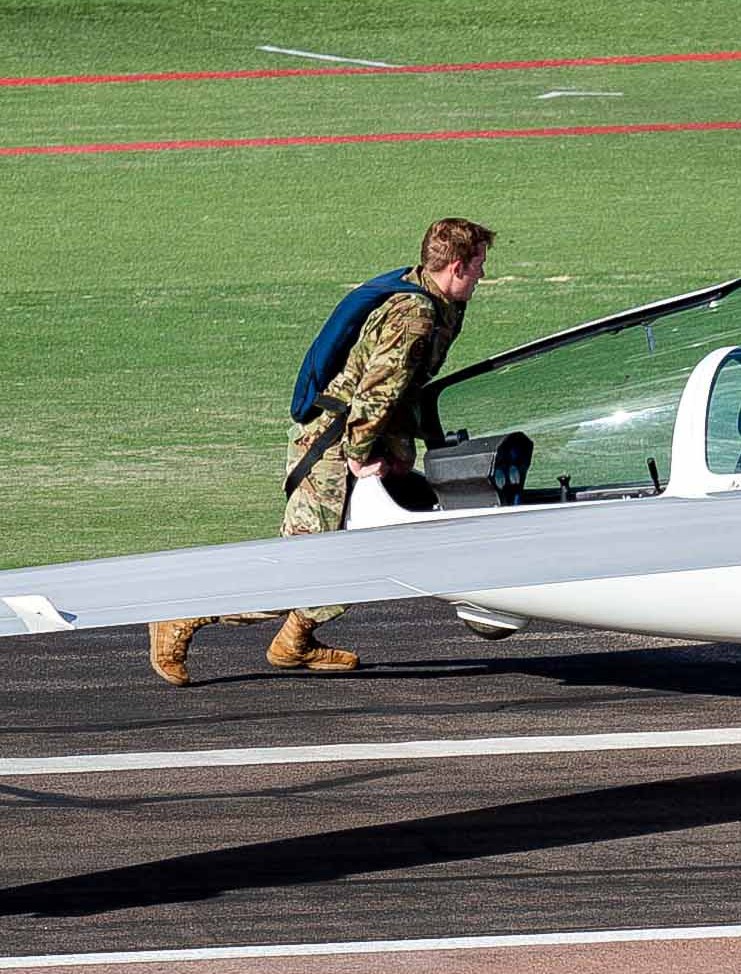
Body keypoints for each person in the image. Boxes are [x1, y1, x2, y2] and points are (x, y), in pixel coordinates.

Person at [150, 216, 492, 684]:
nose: (481, 276)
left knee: (367, 553)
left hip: (357, 437)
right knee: (305, 566)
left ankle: (295, 641)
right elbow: (378, 391)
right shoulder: (416, 316)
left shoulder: (435, 300)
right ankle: (184, 613)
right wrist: (360, 452)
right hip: (334, 444)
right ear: (456, 266)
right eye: (478, 265)